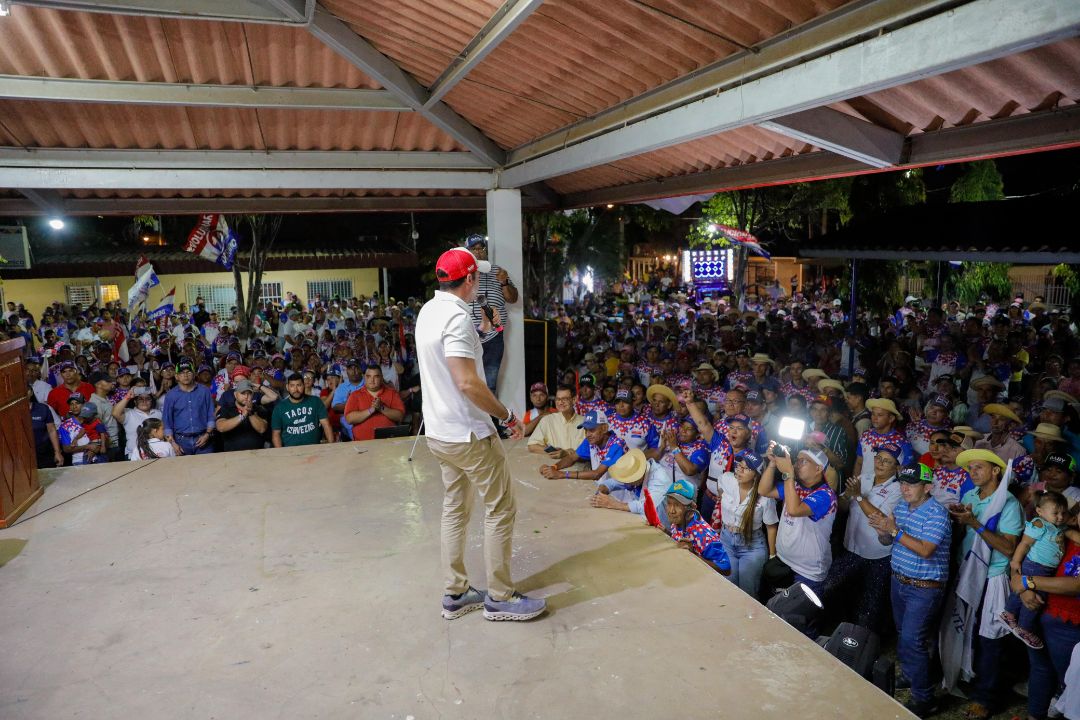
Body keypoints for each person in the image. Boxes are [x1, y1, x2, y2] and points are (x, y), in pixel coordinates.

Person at [415, 246, 544, 622]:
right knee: (500, 508)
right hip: (468, 434)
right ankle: (500, 598)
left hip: (440, 433)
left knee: (455, 508)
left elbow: (451, 357)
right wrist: (506, 416)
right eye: (478, 277)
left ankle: (455, 593)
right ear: (469, 279)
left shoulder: (430, 311)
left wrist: (483, 334)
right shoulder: (456, 318)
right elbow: (468, 382)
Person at [940, 448, 1023, 720]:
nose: (972, 473)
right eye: (970, 469)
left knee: (991, 639)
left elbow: (1009, 549)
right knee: (967, 631)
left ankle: (985, 698)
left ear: (996, 470)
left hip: (993, 577)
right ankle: (968, 677)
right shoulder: (970, 496)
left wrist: (974, 522)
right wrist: (959, 518)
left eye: (978, 468)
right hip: (968, 570)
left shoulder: (1009, 504)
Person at [869, 462, 952, 718]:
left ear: (927, 487)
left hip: (924, 587)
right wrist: (883, 532)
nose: (905, 488)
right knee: (903, 633)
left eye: (911, 484)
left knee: (912, 640)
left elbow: (926, 550)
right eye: (903, 483)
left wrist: (893, 530)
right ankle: (910, 674)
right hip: (900, 581)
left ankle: (924, 699)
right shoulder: (901, 507)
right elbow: (888, 541)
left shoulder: (937, 513)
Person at [826, 442, 904, 633]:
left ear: (897, 467)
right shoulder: (864, 477)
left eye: (887, 461)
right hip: (850, 547)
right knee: (837, 594)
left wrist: (859, 496)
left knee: (869, 606)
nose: (880, 463)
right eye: (878, 458)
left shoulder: (899, 489)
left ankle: (860, 647)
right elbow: (843, 507)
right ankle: (835, 636)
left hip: (877, 556)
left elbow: (881, 519)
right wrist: (846, 496)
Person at [758, 445, 838, 626]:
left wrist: (788, 474)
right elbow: (764, 491)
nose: (797, 464)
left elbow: (794, 510)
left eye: (804, 461)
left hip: (807, 572)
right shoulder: (793, 485)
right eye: (797, 459)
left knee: (800, 624)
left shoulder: (826, 495)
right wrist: (772, 464)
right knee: (777, 615)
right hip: (784, 562)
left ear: (818, 468)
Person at [1000, 490, 1069, 649]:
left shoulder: (1057, 526)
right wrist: (1016, 562)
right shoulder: (1040, 523)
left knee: (1029, 594)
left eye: (1063, 513)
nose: (1060, 516)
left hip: (1044, 569)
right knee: (1036, 599)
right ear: (1039, 511)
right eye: (1055, 513)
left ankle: (1008, 614)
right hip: (1035, 566)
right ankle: (1024, 628)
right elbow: (1024, 544)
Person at [714, 449, 778, 597]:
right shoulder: (727, 479)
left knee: (747, 594)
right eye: (738, 465)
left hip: (752, 546)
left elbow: (771, 526)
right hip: (726, 540)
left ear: (757, 474)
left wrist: (773, 556)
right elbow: (720, 488)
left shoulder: (765, 497)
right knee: (726, 587)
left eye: (746, 468)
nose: (739, 470)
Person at [464, 234, 518, 395]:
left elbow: (513, 298)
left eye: (481, 248)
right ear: (467, 252)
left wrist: (504, 282)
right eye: (474, 249)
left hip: (493, 337)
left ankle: (490, 420)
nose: (479, 252)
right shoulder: (462, 273)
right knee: (468, 381)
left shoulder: (498, 271)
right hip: (468, 335)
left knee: (490, 383)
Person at [589, 447, 672, 528]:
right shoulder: (635, 470)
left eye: (629, 480)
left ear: (638, 475)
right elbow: (612, 483)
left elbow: (646, 506)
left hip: (661, 528)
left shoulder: (660, 478)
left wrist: (613, 504)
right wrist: (601, 491)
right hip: (642, 521)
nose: (626, 482)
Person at [664, 478, 731, 576]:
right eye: (669, 503)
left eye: (677, 505)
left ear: (693, 507)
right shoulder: (679, 520)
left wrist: (693, 555)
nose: (671, 511)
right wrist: (666, 532)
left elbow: (726, 569)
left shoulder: (705, 535)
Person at [539, 410, 627, 483]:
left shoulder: (617, 444)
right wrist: (554, 467)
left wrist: (561, 474)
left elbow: (596, 474)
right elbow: (572, 457)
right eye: (586, 430)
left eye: (592, 430)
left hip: (624, 495)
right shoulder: (591, 441)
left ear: (604, 428)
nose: (588, 434)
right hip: (606, 489)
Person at [162, 360, 216, 456]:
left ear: (194, 374)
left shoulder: (204, 391)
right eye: (181, 373)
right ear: (176, 376)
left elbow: (211, 415)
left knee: (208, 469)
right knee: (183, 470)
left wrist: (207, 434)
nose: (185, 375)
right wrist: (172, 443)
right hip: (181, 441)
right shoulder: (171, 395)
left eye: (188, 372)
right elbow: (167, 421)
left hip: (203, 438)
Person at [343, 364, 406, 441]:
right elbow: (349, 419)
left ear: (382, 378)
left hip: (388, 442)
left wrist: (382, 408)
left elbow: (400, 416)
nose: (372, 380)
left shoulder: (392, 393)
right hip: (362, 444)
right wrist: (371, 410)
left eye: (376, 376)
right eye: (368, 376)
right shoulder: (355, 395)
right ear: (364, 377)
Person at [271, 373, 334, 447]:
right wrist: (280, 454)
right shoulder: (279, 408)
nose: (296, 389)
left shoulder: (316, 402)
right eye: (292, 386)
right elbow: (276, 434)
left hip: (315, 448)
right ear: (287, 387)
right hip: (290, 451)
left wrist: (332, 447)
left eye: (299, 385)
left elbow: (326, 425)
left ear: (304, 385)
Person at [526, 385, 584, 459]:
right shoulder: (547, 420)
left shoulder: (584, 422)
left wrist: (567, 453)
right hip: (553, 467)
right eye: (558, 399)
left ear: (574, 400)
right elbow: (532, 445)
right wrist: (555, 452)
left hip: (579, 468)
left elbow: (591, 450)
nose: (560, 402)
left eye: (564, 399)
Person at [216, 379, 270, 452]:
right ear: (235, 394)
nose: (246, 396)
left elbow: (262, 429)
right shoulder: (226, 409)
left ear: (252, 395)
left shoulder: (259, 409)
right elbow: (221, 427)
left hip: (257, 454)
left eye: (249, 393)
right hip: (232, 455)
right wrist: (242, 416)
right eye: (243, 393)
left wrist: (250, 413)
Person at [27, 385, 64, 469]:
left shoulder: (42, 408)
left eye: (27, 390)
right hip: (24, 455)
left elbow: (52, 430)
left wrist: (57, 452)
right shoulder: (13, 412)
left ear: (31, 392)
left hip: (44, 452)